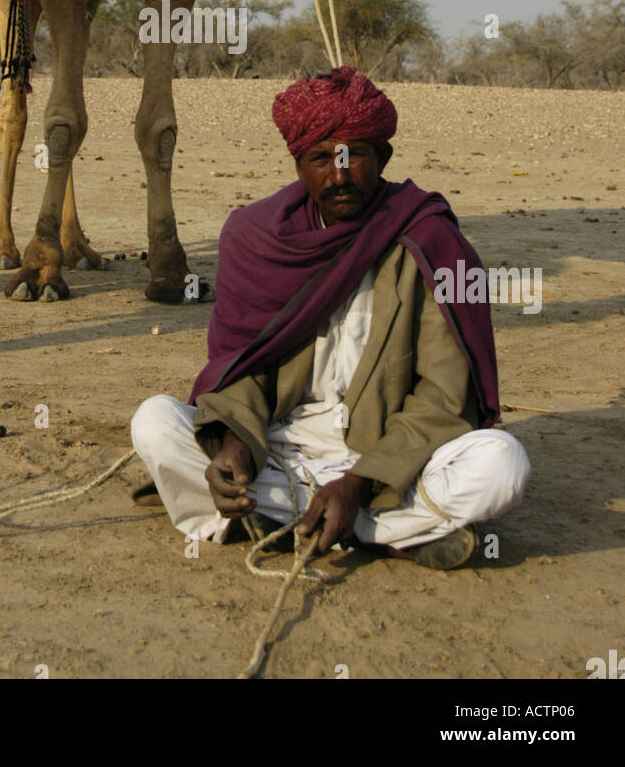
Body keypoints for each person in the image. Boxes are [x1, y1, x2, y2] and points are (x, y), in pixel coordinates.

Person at [131, 67, 530, 569]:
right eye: (322, 158)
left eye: (354, 156)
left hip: (389, 456)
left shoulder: (429, 240)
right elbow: (241, 365)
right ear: (298, 165)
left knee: (502, 463)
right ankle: (388, 530)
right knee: (154, 421)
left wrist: (358, 484)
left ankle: (316, 518)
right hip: (281, 446)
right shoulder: (256, 239)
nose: (339, 175)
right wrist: (237, 443)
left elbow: (445, 396)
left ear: (381, 157)